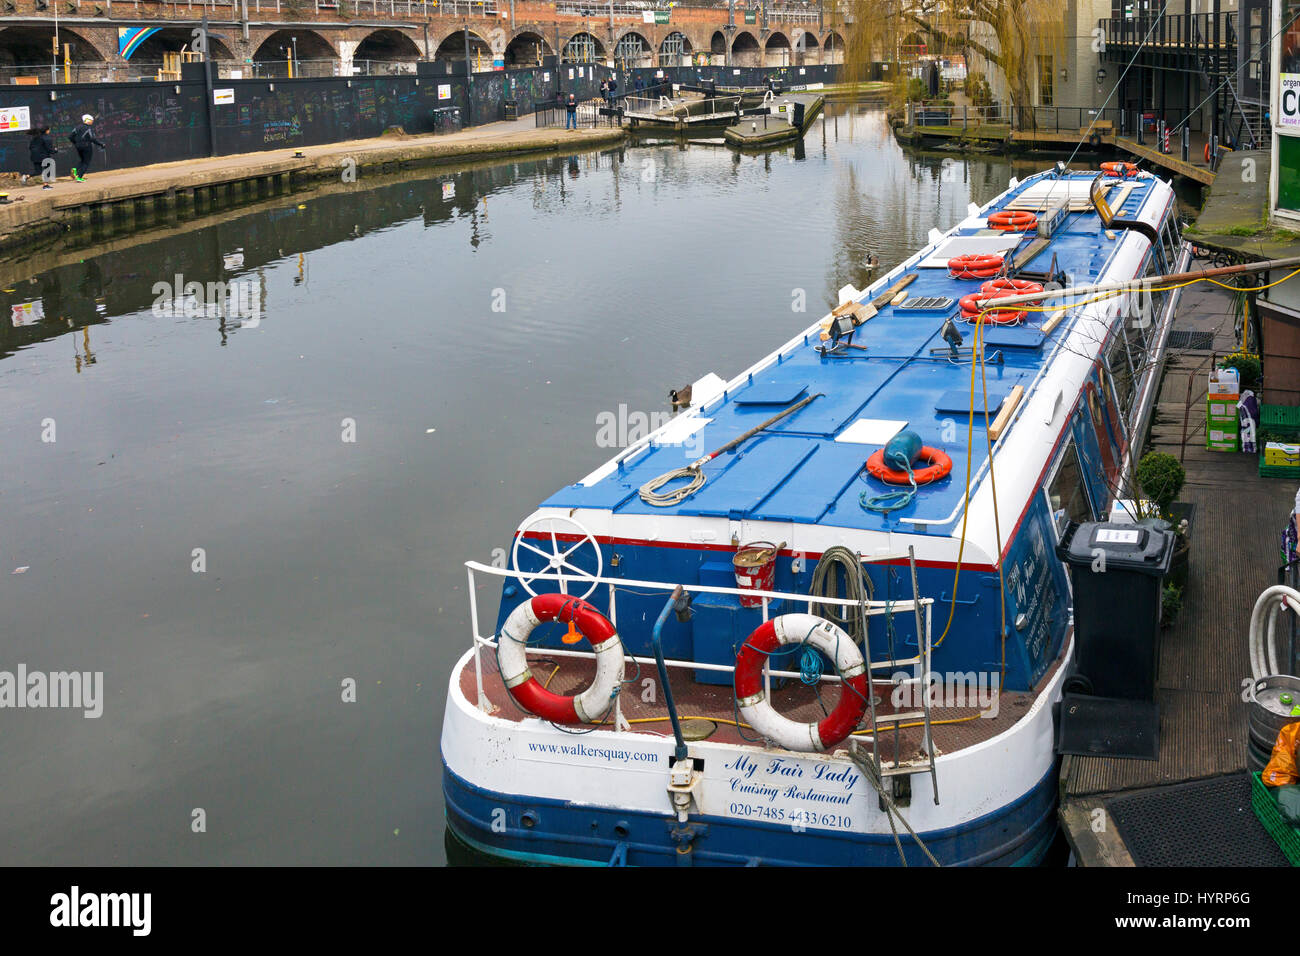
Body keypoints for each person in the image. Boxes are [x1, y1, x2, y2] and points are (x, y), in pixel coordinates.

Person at [68, 113, 105, 182]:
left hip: (78, 147)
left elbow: (70, 137)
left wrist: (76, 143)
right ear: (87, 120)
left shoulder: (77, 127)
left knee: (82, 160)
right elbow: (92, 138)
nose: (92, 121)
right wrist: (101, 144)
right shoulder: (88, 128)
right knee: (86, 162)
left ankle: (75, 169)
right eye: (91, 120)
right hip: (87, 147)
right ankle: (79, 177)